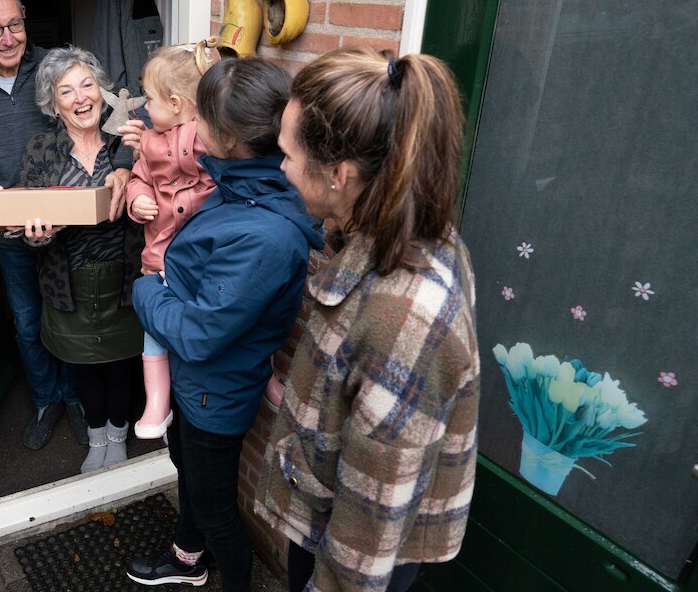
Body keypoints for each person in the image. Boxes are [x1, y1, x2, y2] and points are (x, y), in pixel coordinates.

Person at [258, 46, 480, 592]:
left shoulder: (403, 320)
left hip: (347, 550)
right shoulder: (398, 232)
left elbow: (367, 536)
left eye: (287, 155)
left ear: (340, 174)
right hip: (326, 516)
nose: (281, 168)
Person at [126, 57, 323, 591]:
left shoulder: (264, 236)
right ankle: (188, 558)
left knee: (216, 511)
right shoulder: (238, 181)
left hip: (215, 393)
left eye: (201, 115)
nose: (192, 122)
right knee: (187, 470)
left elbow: (200, 334)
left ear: (230, 136)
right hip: (196, 386)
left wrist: (145, 289)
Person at [0, 0, 133, 450]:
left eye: (15, 24)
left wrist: (121, 168)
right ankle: (45, 400)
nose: (8, 38)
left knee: (71, 318)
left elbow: (120, 123)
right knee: (29, 323)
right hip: (16, 228)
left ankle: (78, 401)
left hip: (75, 234)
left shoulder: (58, 68)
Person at [17, 46, 145, 474]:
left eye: (87, 85)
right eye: (66, 91)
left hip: (123, 277)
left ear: (102, 91)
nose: (80, 98)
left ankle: (118, 436)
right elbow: (27, 222)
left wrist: (128, 169)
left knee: (121, 363)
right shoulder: (39, 150)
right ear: (53, 104)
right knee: (84, 366)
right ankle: (96, 437)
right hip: (68, 279)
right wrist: (37, 236)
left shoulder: (127, 142)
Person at [120, 39, 219, 439]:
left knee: (227, 319)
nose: (144, 107)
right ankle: (157, 401)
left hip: (206, 256)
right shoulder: (150, 143)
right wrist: (137, 198)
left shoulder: (212, 137)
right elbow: (139, 178)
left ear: (176, 104)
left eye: (148, 98)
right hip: (162, 254)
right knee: (155, 324)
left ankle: (264, 376)